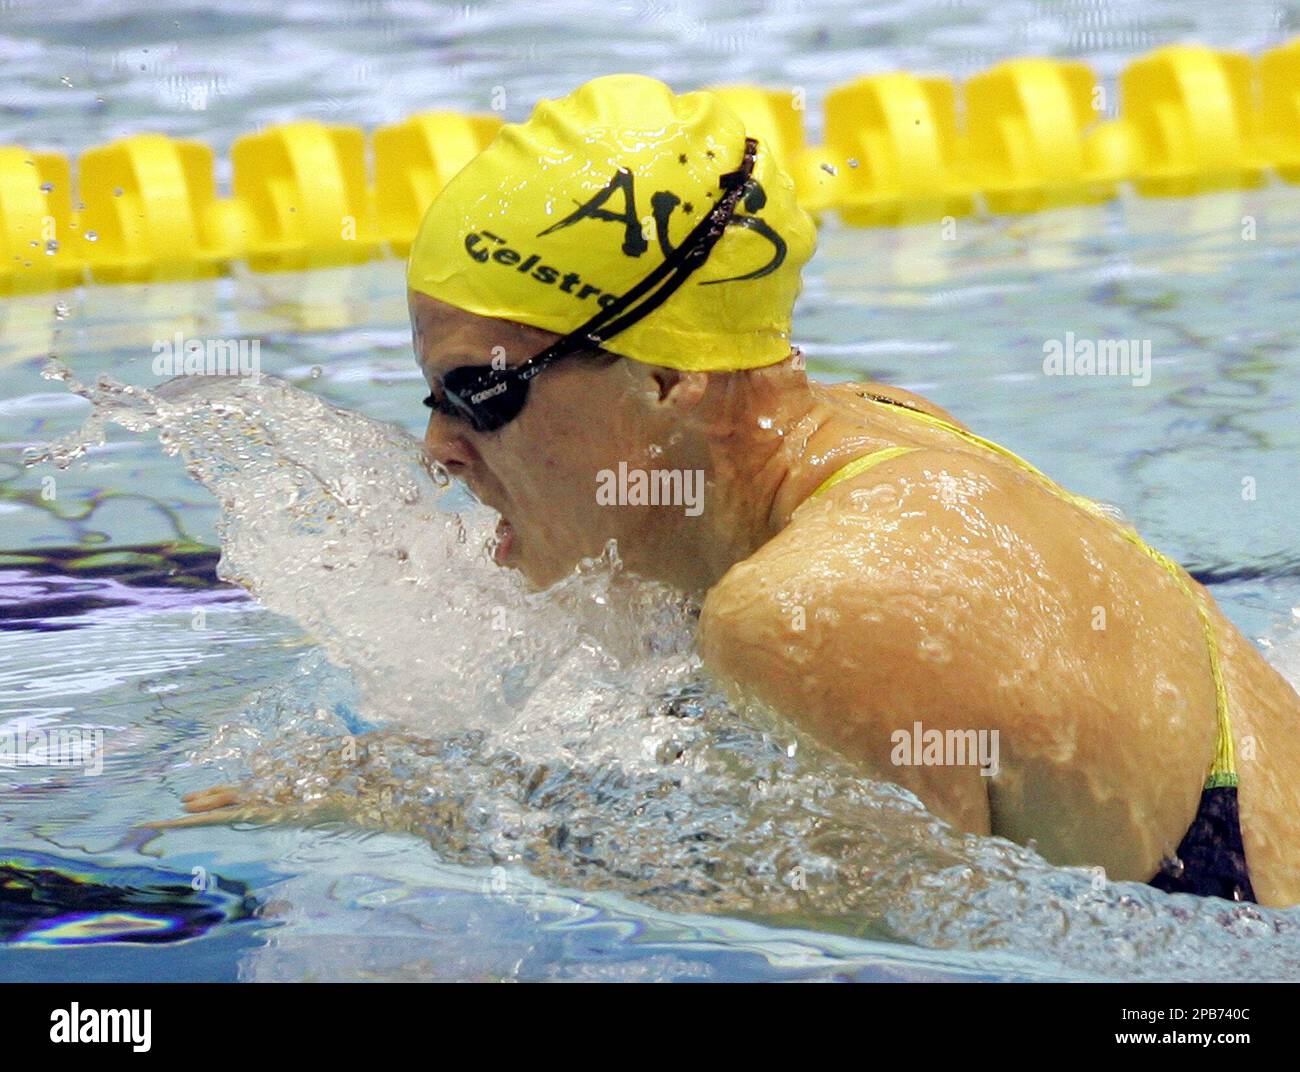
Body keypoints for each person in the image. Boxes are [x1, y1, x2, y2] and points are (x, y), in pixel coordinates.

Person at [200, 74, 1300, 907]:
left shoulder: (808, 607)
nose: (439, 447)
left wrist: (426, 817)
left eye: (479, 392)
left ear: (666, 378)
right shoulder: (873, 437)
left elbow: (897, 938)